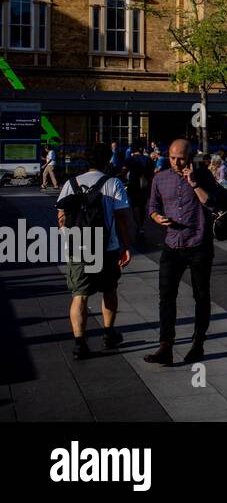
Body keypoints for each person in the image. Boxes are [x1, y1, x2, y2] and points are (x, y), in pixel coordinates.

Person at [144, 139, 227, 365]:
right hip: (172, 244)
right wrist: (156, 217)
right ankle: (166, 346)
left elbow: (212, 204)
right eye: (172, 157)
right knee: (166, 296)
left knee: (201, 296)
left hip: (199, 244)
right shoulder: (160, 178)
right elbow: (152, 206)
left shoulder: (203, 176)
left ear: (190, 156)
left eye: (181, 157)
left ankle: (198, 343)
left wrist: (194, 184)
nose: (176, 162)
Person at [57, 142, 132, 360]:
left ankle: (80, 344)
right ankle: (109, 333)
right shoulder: (113, 183)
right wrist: (125, 246)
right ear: (107, 161)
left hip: (78, 247)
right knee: (109, 290)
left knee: (79, 296)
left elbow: (61, 217)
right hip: (107, 247)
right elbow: (121, 219)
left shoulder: (70, 184)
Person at [123, 140, 156, 236]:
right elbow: (152, 174)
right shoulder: (148, 159)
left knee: (135, 206)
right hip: (145, 186)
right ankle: (141, 224)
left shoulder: (130, 159)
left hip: (134, 185)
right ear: (141, 149)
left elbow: (124, 172)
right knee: (142, 206)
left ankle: (139, 226)